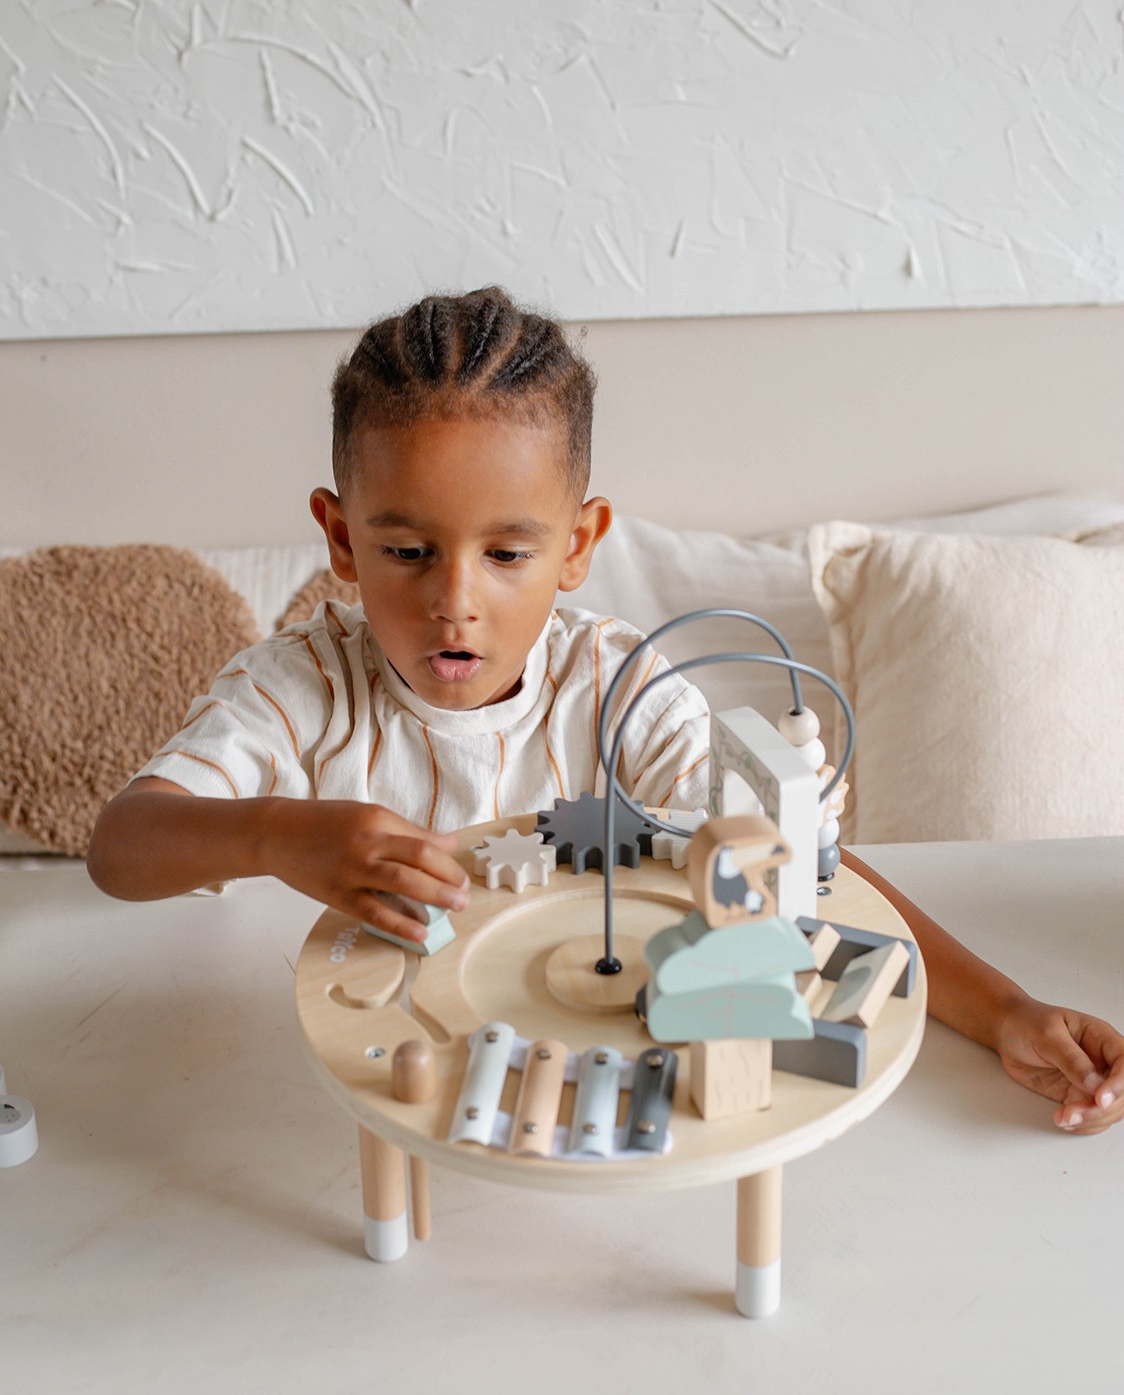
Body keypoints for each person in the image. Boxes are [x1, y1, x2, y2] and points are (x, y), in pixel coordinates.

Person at [88, 286, 1124, 1137]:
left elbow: (791, 864)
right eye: (407, 551)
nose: (456, 598)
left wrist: (1004, 1013)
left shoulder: (620, 686)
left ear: (580, 545)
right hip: (327, 1108)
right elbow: (120, 847)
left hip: (572, 1106)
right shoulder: (298, 689)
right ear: (342, 539)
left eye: (507, 553)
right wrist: (273, 833)